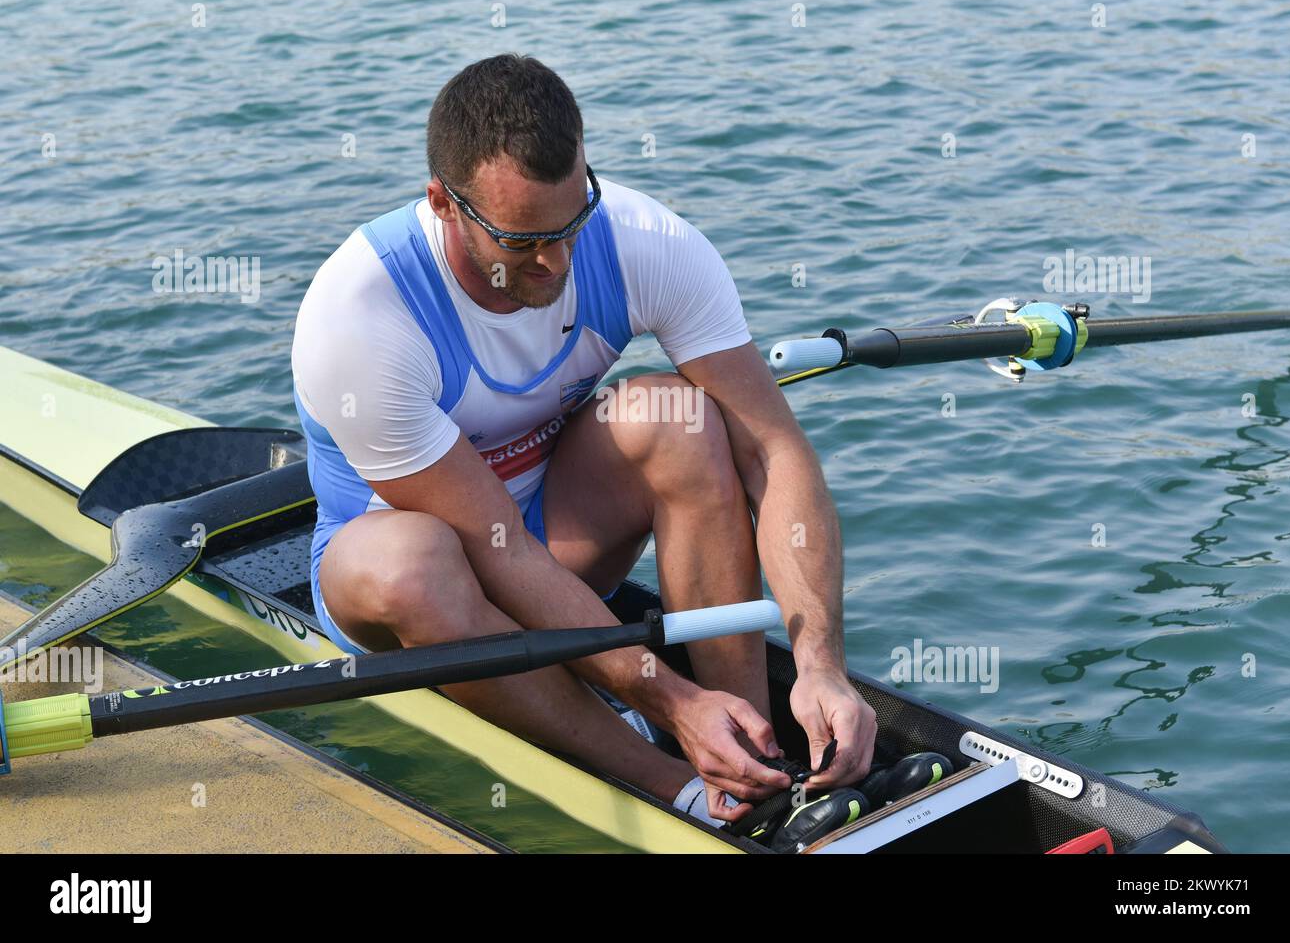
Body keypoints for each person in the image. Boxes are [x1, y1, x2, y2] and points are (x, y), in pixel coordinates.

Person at [291, 53, 875, 824]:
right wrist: (665, 699)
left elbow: (776, 451)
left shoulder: (645, 240)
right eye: (523, 240)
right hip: (409, 576)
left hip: (559, 545)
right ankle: (674, 785)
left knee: (684, 419)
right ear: (443, 203)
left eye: (572, 224)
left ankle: (752, 749)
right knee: (413, 563)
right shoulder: (360, 317)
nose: (556, 261)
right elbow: (497, 549)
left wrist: (821, 660)